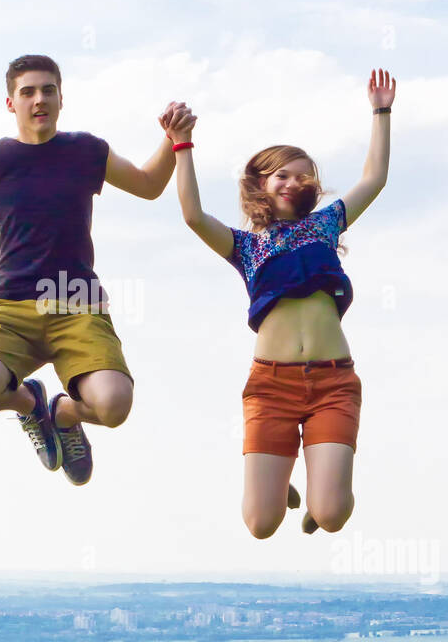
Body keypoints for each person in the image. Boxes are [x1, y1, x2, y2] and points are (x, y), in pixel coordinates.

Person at [0, 54, 196, 485]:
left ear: (61, 98)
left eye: (48, 89)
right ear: (11, 103)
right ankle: (30, 404)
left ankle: (64, 414)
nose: (39, 99)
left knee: (113, 405)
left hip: (77, 303)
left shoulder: (85, 151)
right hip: (11, 307)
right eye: (27, 92)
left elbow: (148, 186)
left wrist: (172, 138)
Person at [163, 68, 395, 537]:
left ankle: (317, 492)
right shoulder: (246, 245)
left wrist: (381, 111)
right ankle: (283, 482)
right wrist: (182, 144)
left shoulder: (326, 226)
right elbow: (191, 215)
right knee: (261, 524)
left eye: (303, 175)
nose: (293, 181)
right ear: (261, 184)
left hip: (333, 381)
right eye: (281, 175)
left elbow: (375, 178)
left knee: (330, 516)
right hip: (271, 386)